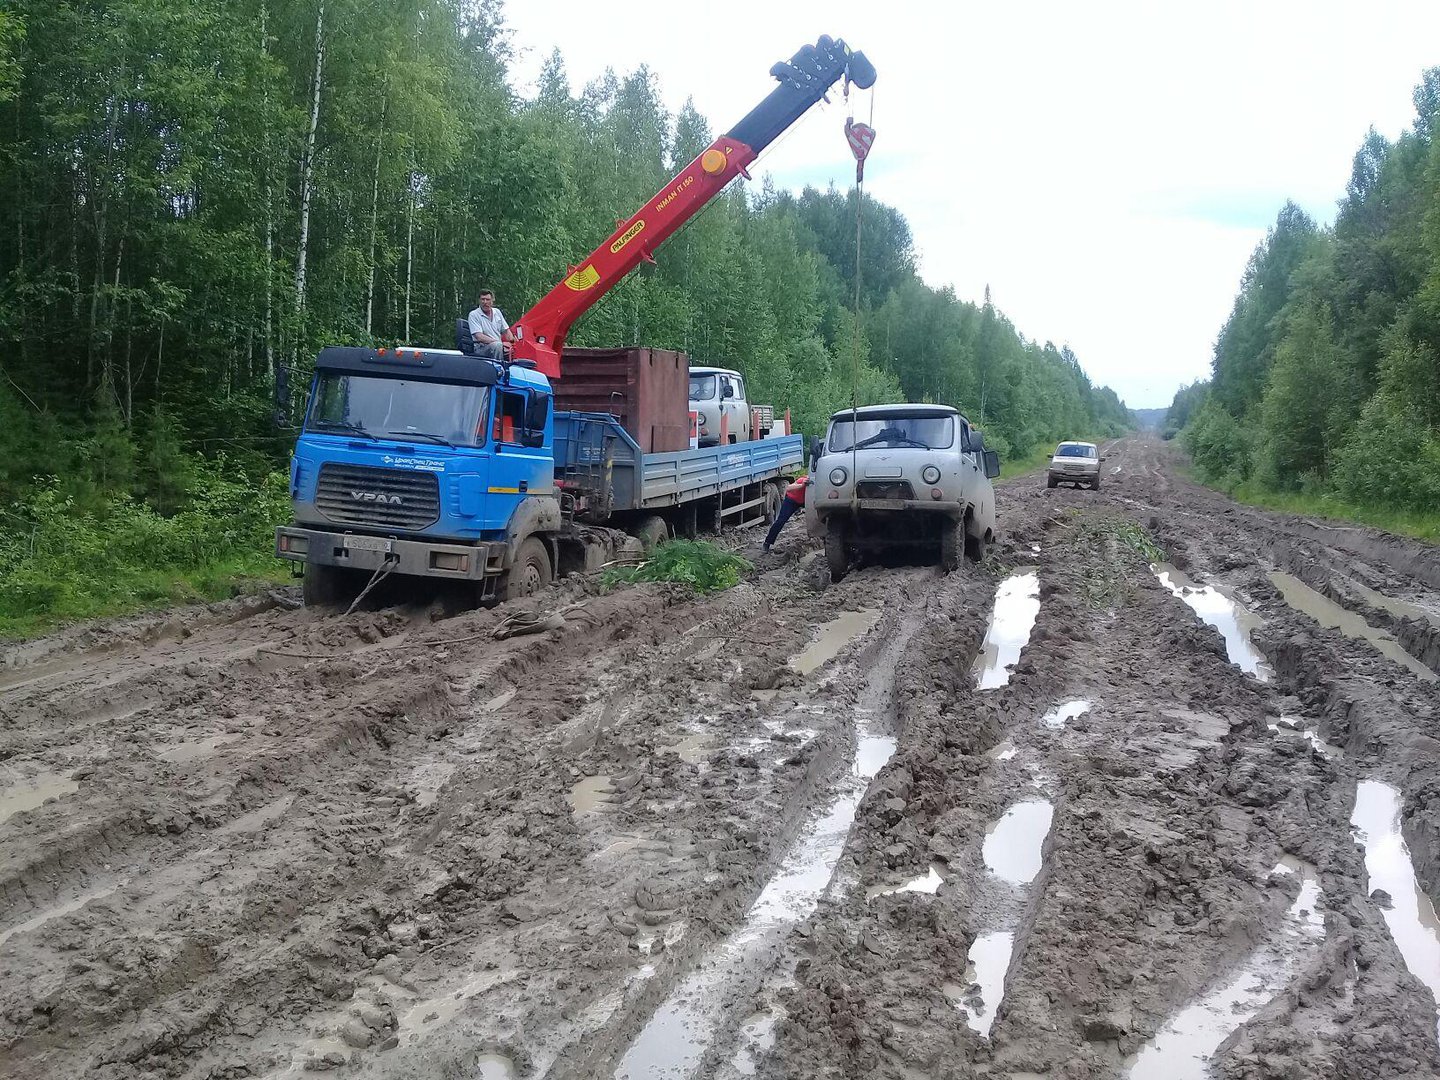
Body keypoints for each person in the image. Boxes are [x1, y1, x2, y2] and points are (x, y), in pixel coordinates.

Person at [763, 474, 811, 552]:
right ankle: (767, 542)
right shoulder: (803, 480)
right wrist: (802, 486)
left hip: (806, 500)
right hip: (792, 500)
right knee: (781, 520)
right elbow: (788, 488)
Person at [467, 289, 513, 360]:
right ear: (479, 300)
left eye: (487, 299)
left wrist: (513, 342)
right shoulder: (474, 315)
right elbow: (479, 336)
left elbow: (506, 331)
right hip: (482, 348)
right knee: (497, 346)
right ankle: (499, 369)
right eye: (483, 299)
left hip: (498, 347)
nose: (485, 302)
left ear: (492, 300)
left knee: (515, 349)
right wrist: (499, 343)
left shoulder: (497, 312)